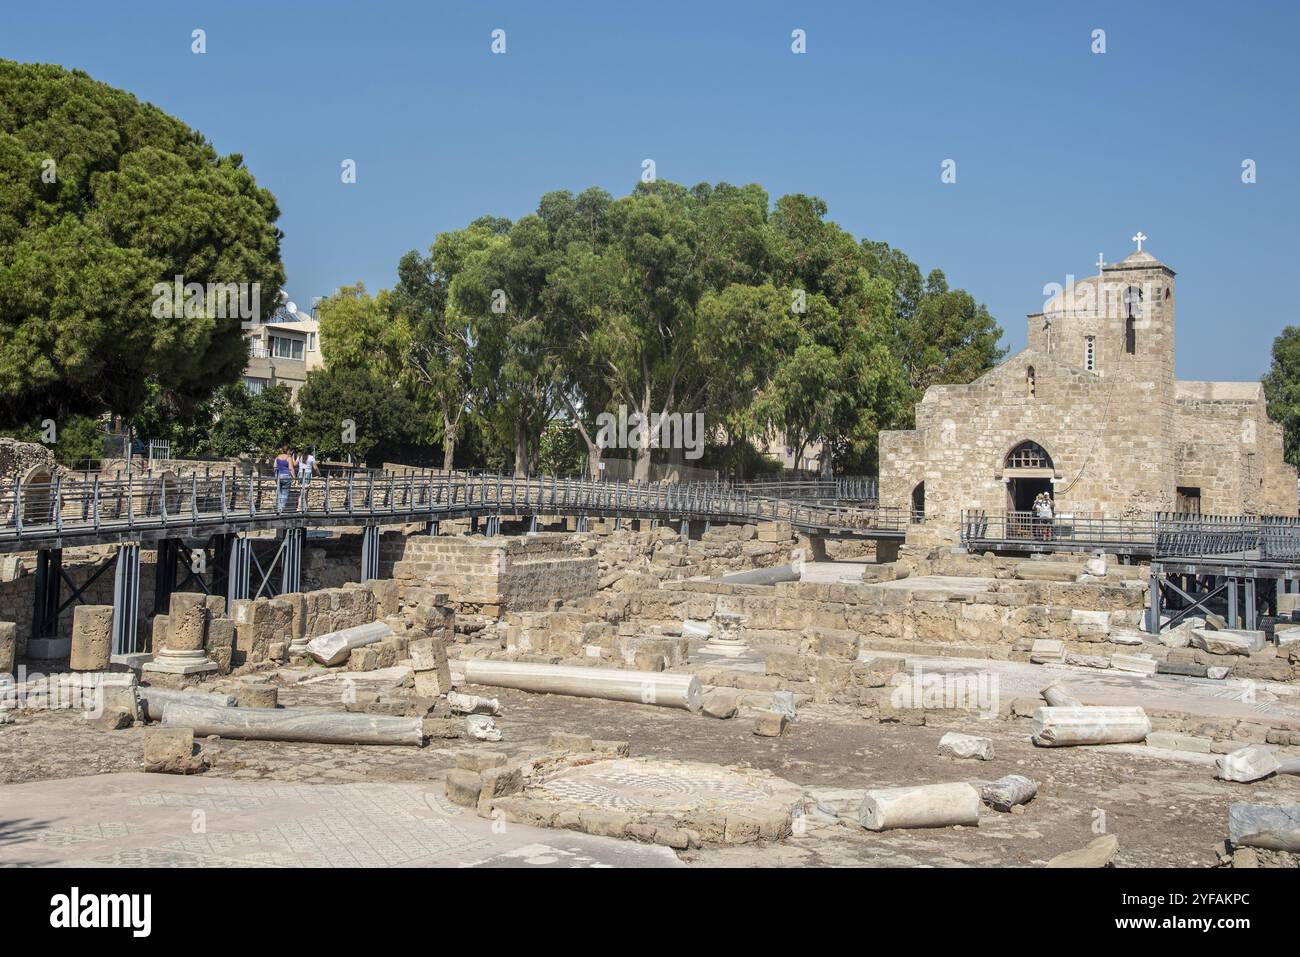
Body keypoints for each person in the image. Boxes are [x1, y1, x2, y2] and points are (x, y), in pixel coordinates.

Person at [274, 446, 295, 511]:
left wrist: (276, 475)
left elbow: (274, 466)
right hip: (286, 476)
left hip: (278, 476)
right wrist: (294, 478)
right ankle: (281, 509)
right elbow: (291, 469)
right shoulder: (289, 458)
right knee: (285, 493)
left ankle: (278, 507)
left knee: (279, 493)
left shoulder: (277, 457)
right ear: (288, 450)